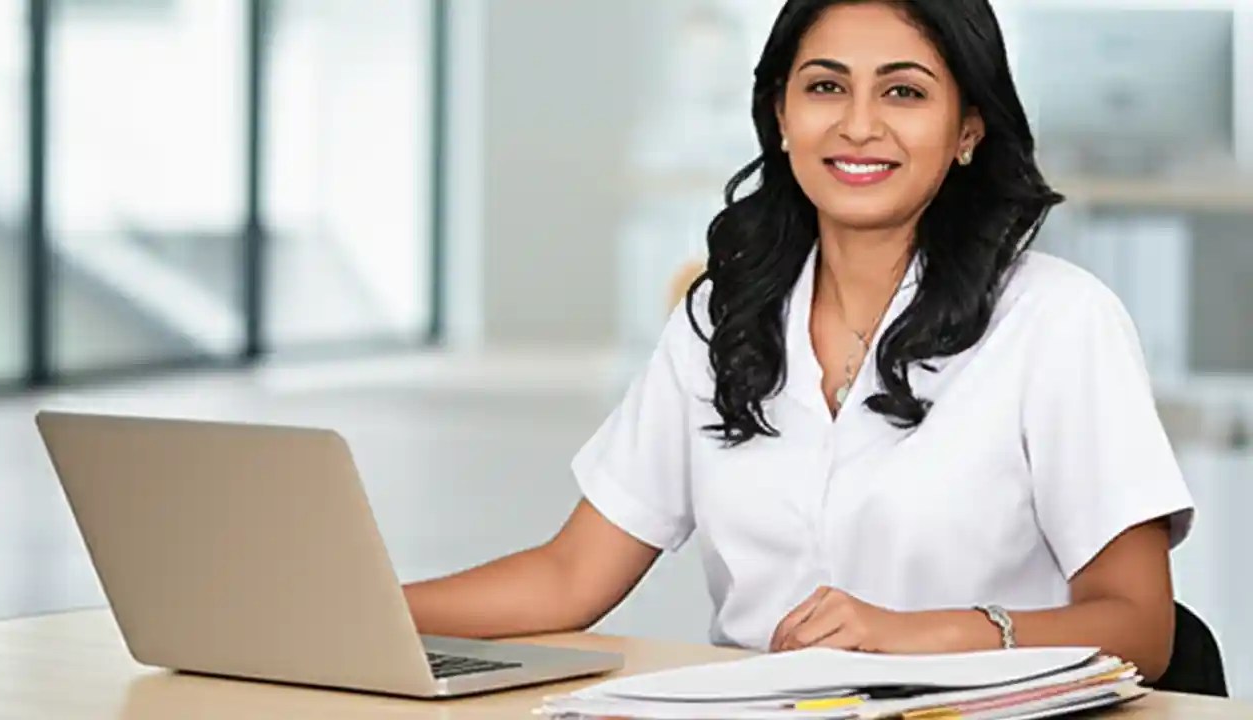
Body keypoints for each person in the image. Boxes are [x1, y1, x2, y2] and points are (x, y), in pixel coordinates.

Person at [404, 0, 1194, 682]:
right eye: (825, 87)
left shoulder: (1057, 320)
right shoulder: (724, 316)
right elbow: (570, 575)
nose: (859, 125)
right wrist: (363, 613)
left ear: (968, 129)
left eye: (904, 92)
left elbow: (1139, 626)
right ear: (781, 116)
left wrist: (920, 635)